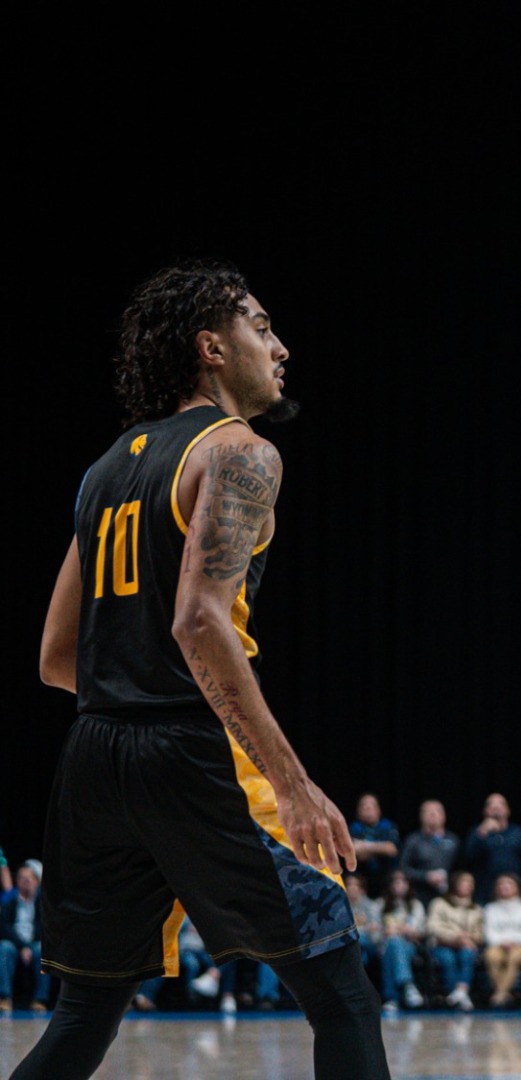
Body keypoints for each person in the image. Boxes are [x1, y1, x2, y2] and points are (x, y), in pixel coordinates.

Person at [18, 260, 387, 1078]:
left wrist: (128, 695)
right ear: (211, 347)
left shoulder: (105, 470)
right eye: (261, 326)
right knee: (340, 991)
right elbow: (197, 621)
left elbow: (53, 657)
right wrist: (290, 782)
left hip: (93, 759)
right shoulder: (242, 454)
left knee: (82, 1020)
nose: (281, 346)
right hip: (190, 749)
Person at [427, 869, 483, 1011]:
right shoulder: (439, 903)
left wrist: (469, 938)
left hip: (466, 945)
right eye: (464, 882)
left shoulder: (476, 909)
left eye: (471, 883)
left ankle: (459, 993)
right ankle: (459, 995)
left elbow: (480, 933)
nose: (468, 885)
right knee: (447, 958)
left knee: (468, 954)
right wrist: (457, 937)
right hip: (442, 944)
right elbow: (432, 927)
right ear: (454, 884)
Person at [464, 792, 521, 899]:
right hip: (485, 891)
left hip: (514, 890)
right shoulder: (477, 832)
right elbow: (468, 858)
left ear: (508, 810)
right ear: (485, 811)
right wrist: (482, 832)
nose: (496, 807)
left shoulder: (518, 832)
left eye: (501, 804)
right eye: (491, 805)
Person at [482, 873, 521, 1008]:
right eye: (501, 884)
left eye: (509, 883)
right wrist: (501, 942)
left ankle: (499, 995)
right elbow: (489, 930)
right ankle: (504, 994)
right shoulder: (491, 908)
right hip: (498, 944)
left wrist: (514, 941)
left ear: (517, 887)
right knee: (491, 956)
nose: (505, 887)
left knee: (514, 957)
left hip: (520, 945)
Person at [0, 863, 47, 1014]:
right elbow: (5, 927)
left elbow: (46, 927)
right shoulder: (10, 901)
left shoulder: (43, 902)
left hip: (35, 942)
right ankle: (5, 998)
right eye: (21, 878)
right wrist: (22, 946)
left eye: (29, 879)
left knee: (43, 951)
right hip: (15, 944)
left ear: (36, 881)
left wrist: (28, 945)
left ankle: (40, 1000)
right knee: (4, 948)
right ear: (17, 881)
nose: (25, 882)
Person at [379, 870, 428, 1012]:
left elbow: (421, 932)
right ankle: (408, 985)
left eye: (402, 882)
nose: (398, 885)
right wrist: (386, 932)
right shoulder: (381, 904)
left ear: (408, 885)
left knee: (395, 945)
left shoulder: (416, 905)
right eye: (395, 882)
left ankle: (392, 998)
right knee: (392, 945)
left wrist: (405, 931)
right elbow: (375, 930)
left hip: (410, 946)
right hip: (384, 945)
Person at [399, 798, 461, 899]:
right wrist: (425, 876)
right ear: (421, 816)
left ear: (444, 816)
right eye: (428, 812)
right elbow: (403, 869)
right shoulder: (413, 840)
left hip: (447, 897)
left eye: (436, 811)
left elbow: (461, 869)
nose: (433, 814)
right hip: (418, 895)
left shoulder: (453, 840)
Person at [350, 793, 401, 896]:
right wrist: (380, 848)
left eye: (371, 805)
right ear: (358, 811)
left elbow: (391, 849)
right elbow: (354, 850)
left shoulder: (387, 825)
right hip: (362, 879)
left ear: (378, 810)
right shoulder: (354, 827)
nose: (368, 808)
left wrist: (364, 846)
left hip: (385, 878)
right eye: (363, 806)